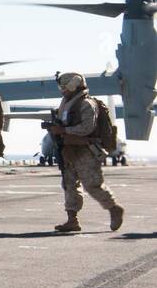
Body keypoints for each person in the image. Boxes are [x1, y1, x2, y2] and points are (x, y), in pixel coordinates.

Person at [47, 71, 124, 233]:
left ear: (73, 85)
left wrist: (63, 129)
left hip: (85, 150)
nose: (62, 90)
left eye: (64, 86)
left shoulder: (86, 104)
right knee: (69, 184)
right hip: (69, 149)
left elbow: (86, 128)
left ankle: (114, 208)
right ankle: (72, 219)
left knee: (92, 185)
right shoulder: (67, 103)